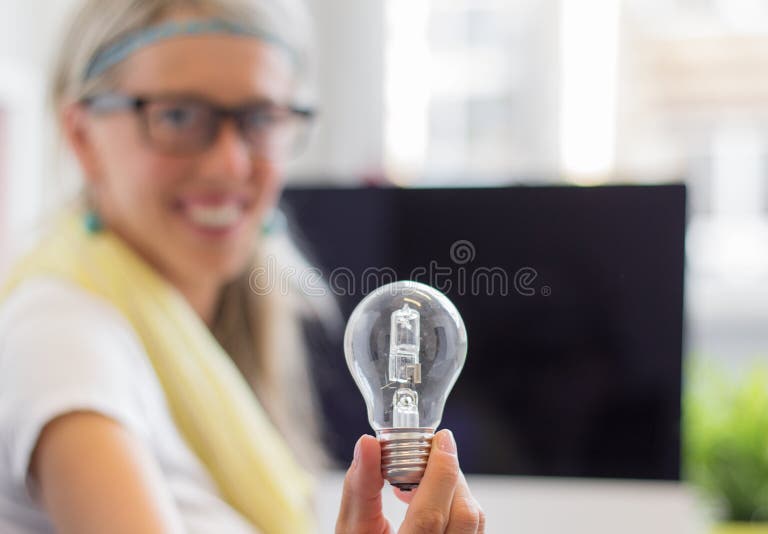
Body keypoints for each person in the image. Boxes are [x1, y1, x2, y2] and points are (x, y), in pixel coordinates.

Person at [0, 0, 485, 533]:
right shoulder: (63, 339)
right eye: (178, 116)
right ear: (82, 136)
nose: (230, 163)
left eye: (261, 118)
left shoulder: (213, 341)